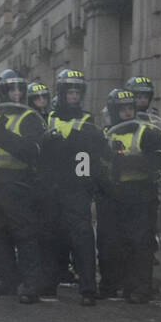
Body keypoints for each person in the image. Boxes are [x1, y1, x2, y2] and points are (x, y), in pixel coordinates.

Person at [39, 69, 104, 305]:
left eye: (77, 92)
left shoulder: (88, 122)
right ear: (62, 93)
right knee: (51, 236)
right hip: (52, 187)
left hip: (76, 188)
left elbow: (93, 157)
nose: (74, 97)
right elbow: (38, 153)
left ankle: (88, 288)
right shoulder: (48, 119)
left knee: (82, 238)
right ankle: (49, 282)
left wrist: (87, 185)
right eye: (70, 92)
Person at [0, 69, 46, 303]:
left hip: (18, 183)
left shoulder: (28, 117)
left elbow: (32, 151)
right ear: (2, 91)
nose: (17, 93)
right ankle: (8, 279)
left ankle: (31, 284)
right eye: (12, 89)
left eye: (20, 89)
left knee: (25, 235)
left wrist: (2, 135)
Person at [104, 89, 161, 303]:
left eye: (130, 108)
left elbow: (160, 159)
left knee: (141, 242)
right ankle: (125, 283)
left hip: (142, 193)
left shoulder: (147, 132)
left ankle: (143, 287)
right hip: (116, 194)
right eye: (122, 109)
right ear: (114, 110)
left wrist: (130, 161)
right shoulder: (107, 134)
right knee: (119, 242)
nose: (127, 112)